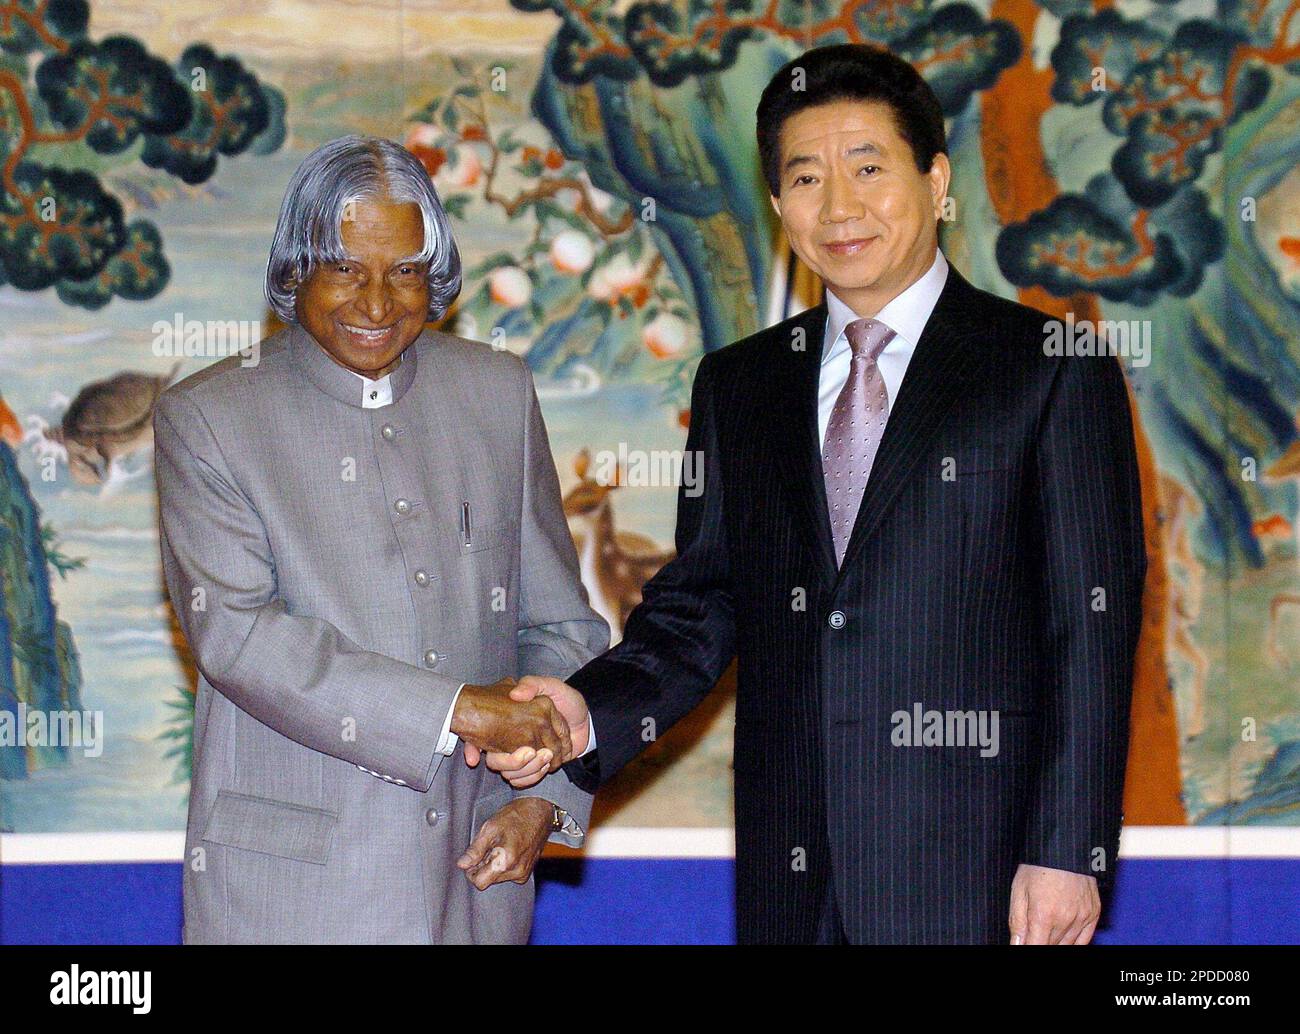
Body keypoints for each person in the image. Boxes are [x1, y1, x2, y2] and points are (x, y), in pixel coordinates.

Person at [487, 43, 1147, 945]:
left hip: (982, 875)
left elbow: (1092, 627)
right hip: (791, 873)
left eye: (868, 168)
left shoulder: (1045, 371)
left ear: (937, 178)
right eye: (806, 178)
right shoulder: (741, 385)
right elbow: (703, 602)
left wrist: (1069, 853)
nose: (839, 207)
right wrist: (585, 709)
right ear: (776, 203)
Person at [155, 134, 609, 943]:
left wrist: (543, 797)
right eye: (345, 269)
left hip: (474, 889)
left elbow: (561, 626)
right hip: (288, 899)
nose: (376, 303)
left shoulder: (496, 392)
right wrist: (459, 713)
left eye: (404, 271)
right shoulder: (209, 420)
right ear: (295, 272)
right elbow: (239, 638)